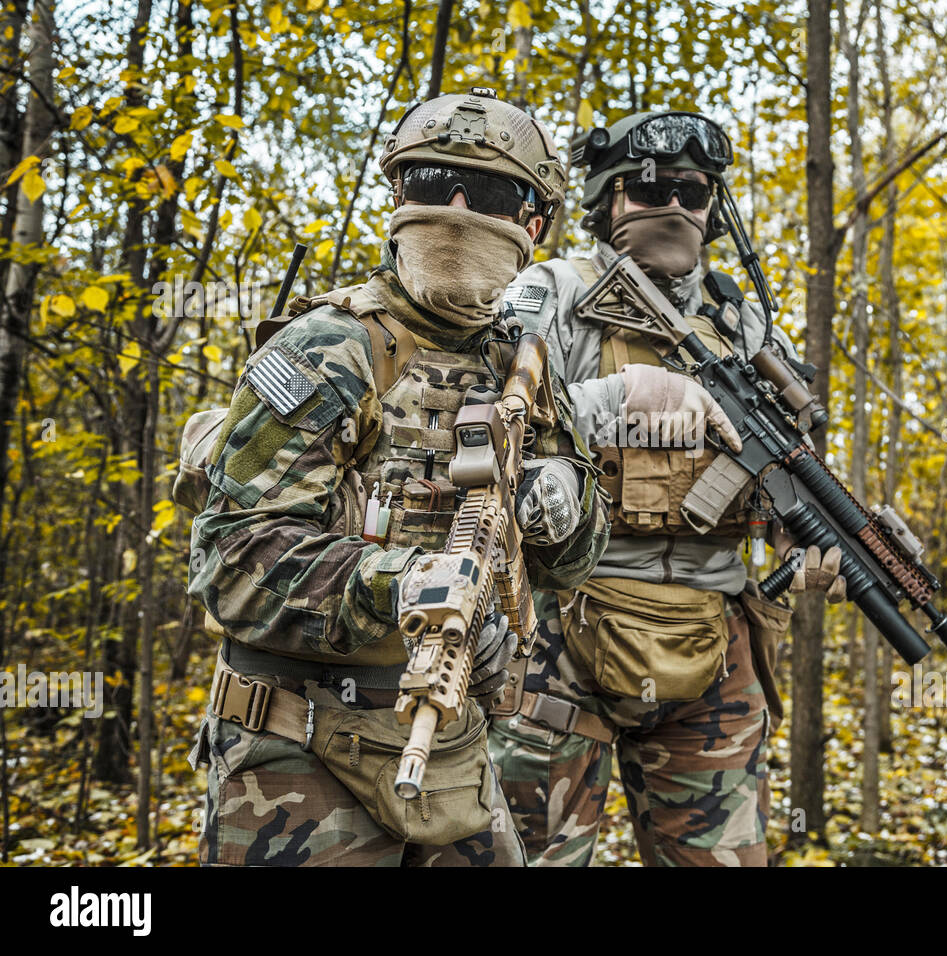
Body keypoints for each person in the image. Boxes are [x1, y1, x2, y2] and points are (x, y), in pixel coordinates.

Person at [182, 88, 609, 867]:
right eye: (427, 185)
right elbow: (230, 562)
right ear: (394, 197)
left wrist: (568, 506)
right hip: (299, 757)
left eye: (484, 195)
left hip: (453, 747)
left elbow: (577, 561)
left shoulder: (522, 365)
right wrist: (405, 584)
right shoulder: (328, 350)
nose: (454, 208)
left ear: (534, 224)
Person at [487, 109, 845, 867]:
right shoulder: (552, 292)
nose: (674, 207)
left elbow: (784, 466)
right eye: (651, 190)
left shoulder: (741, 324)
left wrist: (808, 542)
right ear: (607, 201)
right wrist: (614, 398)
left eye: (692, 190)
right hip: (558, 638)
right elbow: (478, 426)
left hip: (711, 649)